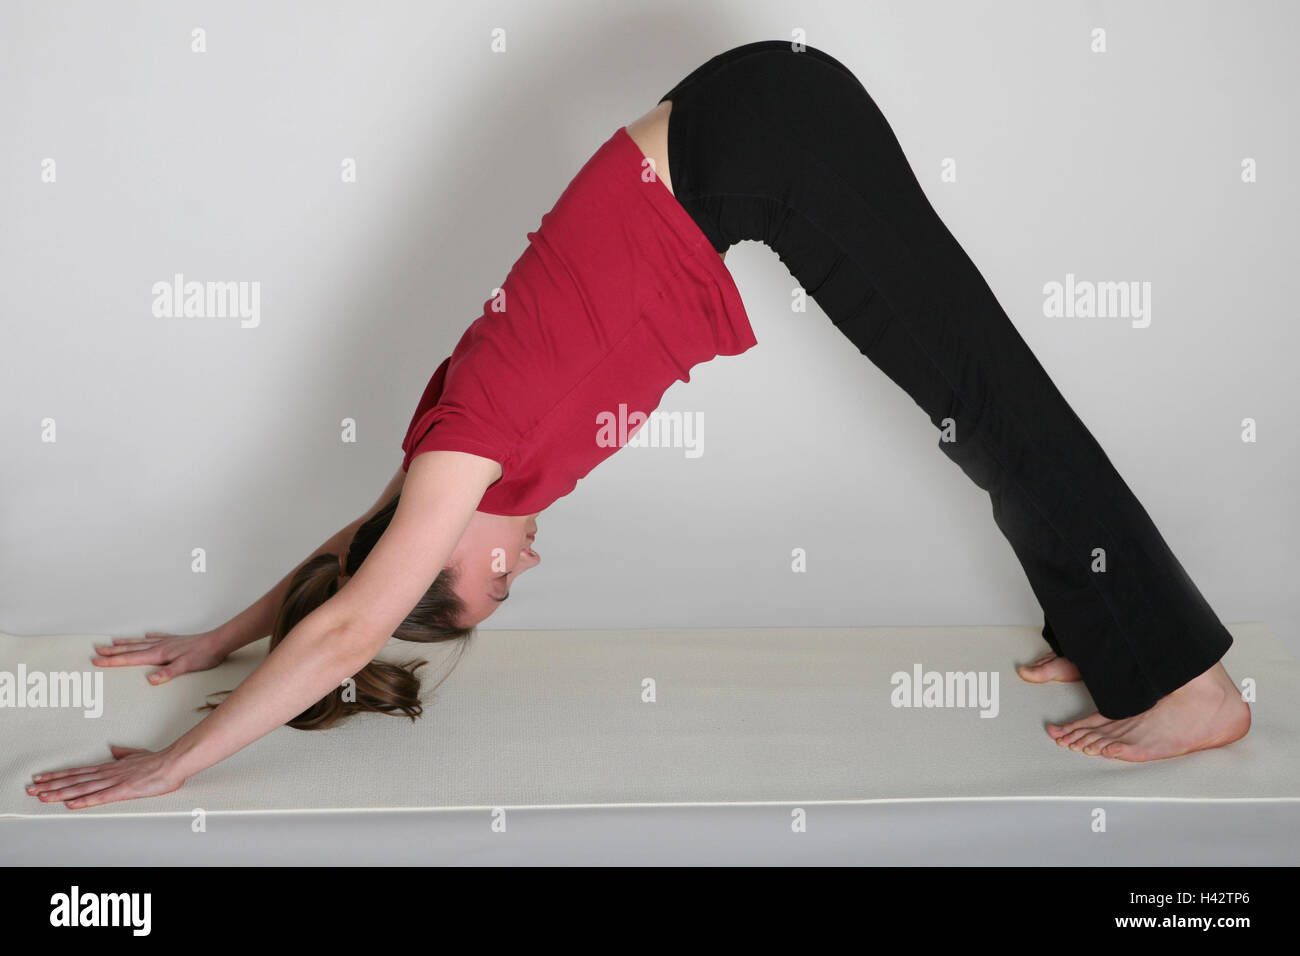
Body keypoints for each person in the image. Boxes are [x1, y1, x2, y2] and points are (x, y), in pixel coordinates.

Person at [29, 40, 1249, 810]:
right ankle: (1110, 622)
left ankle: (1189, 685)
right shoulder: (453, 467)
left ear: (448, 557)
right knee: (966, 400)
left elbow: (352, 619)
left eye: (497, 586)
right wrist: (217, 636)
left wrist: (170, 764)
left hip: (766, 149)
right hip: (750, 131)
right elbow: (349, 563)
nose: (527, 566)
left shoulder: (473, 447)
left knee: (985, 399)